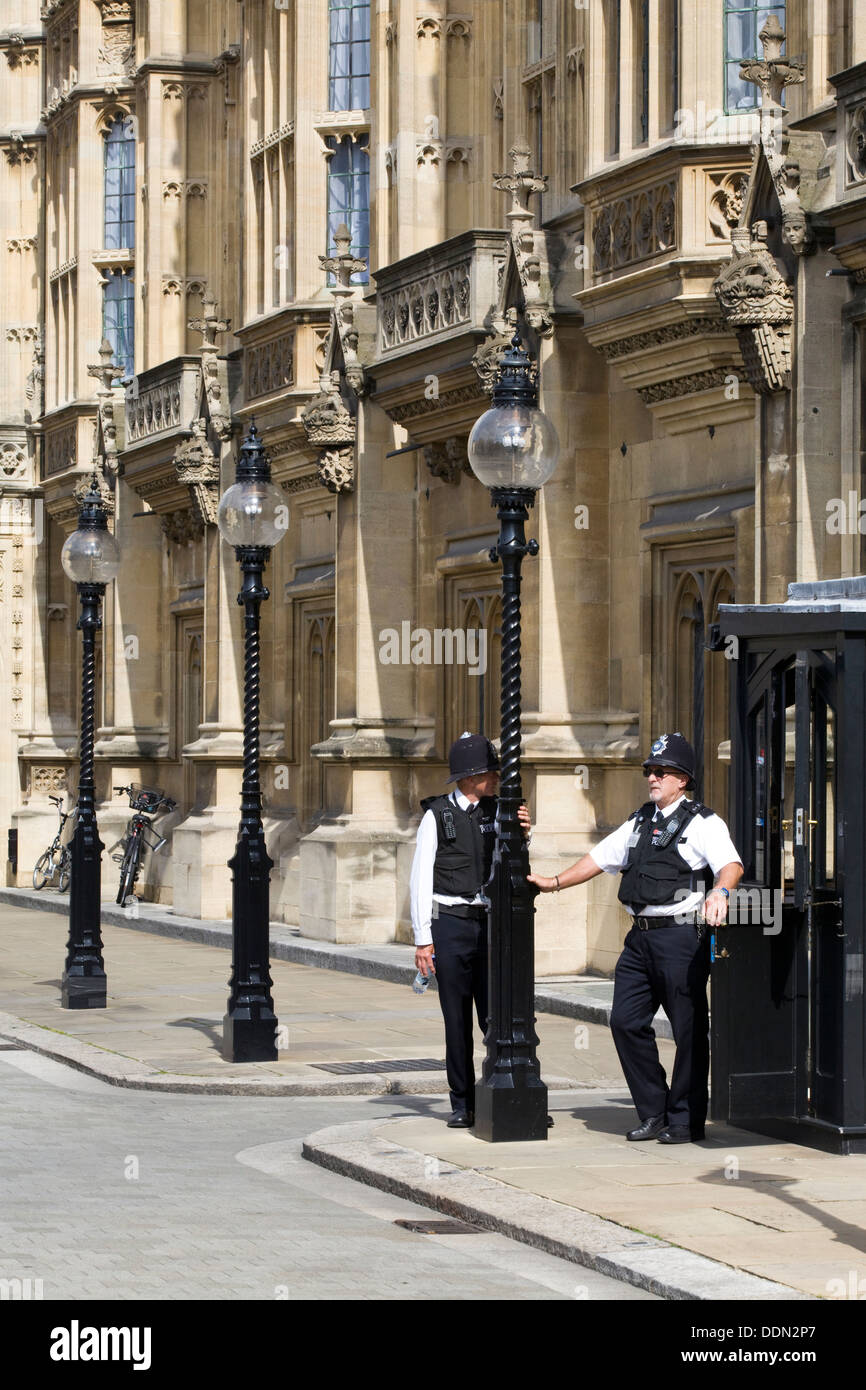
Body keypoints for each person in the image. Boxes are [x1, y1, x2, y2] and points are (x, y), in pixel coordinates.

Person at [528, 733, 743, 1143]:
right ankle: (655, 1111)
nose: (652, 777)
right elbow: (598, 859)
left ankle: (684, 1120)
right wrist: (553, 882)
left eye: (661, 771)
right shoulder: (640, 820)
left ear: (682, 779)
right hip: (639, 939)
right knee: (625, 1022)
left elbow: (730, 864)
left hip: (681, 938)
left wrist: (720, 891)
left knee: (688, 1031)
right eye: (650, 770)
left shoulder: (703, 822)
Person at [410, 731, 531, 1128]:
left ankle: (504, 1090)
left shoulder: (502, 811)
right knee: (456, 1020)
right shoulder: (436, 815)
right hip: (452, 925)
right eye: (489, 771)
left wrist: (523, 833)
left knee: (497, 1015)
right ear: (468, 776)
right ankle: (462, 1102)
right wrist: (422, 938)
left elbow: (516, 866)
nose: (497, 777)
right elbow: (419, 879)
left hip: (493, 926)